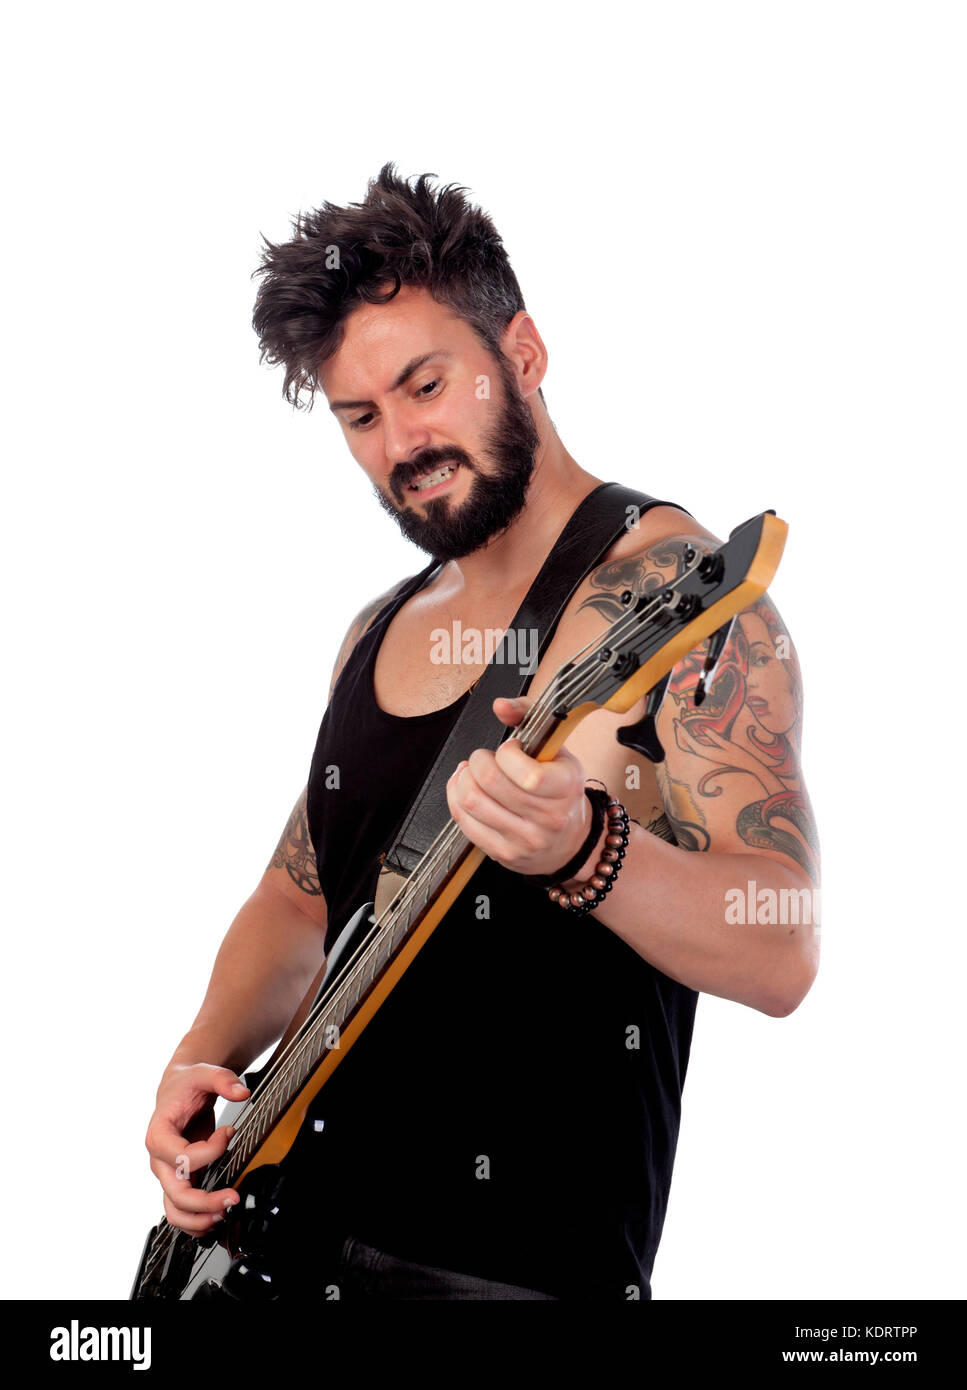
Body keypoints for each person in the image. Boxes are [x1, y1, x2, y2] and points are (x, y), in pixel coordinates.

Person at [143, 164, 820, 1301]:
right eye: (361, 416)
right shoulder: (380, 628)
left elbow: (784, 948)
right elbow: (297, 899)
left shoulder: (681, 600)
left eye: (426, 384)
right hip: (275, 1249)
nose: (401, 440)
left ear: (523, 355)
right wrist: (194, 1058)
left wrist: (586, 853)